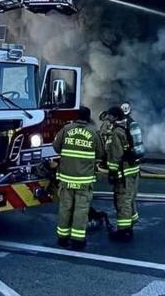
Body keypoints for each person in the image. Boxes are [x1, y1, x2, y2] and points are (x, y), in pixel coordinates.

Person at [53, 106, 103, 249]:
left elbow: (56, 147)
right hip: (84, 180)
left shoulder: (66, 129)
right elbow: (100, 153)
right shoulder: (93, 132)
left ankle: (62, 238)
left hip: (66, 178)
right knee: (81, 210)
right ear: (88, 117)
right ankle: (77, 240)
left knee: (65, 207)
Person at [101, 105, 143, 241]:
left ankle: (123, 232)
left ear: (115, 117)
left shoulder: (116, 132)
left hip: (123, 172)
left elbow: (116, 155)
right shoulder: (128, 126)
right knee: (130, 198)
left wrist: (112, 172)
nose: (107, 118)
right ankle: (129, 226)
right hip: (133, 169)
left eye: (109, 116)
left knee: (122, 200)